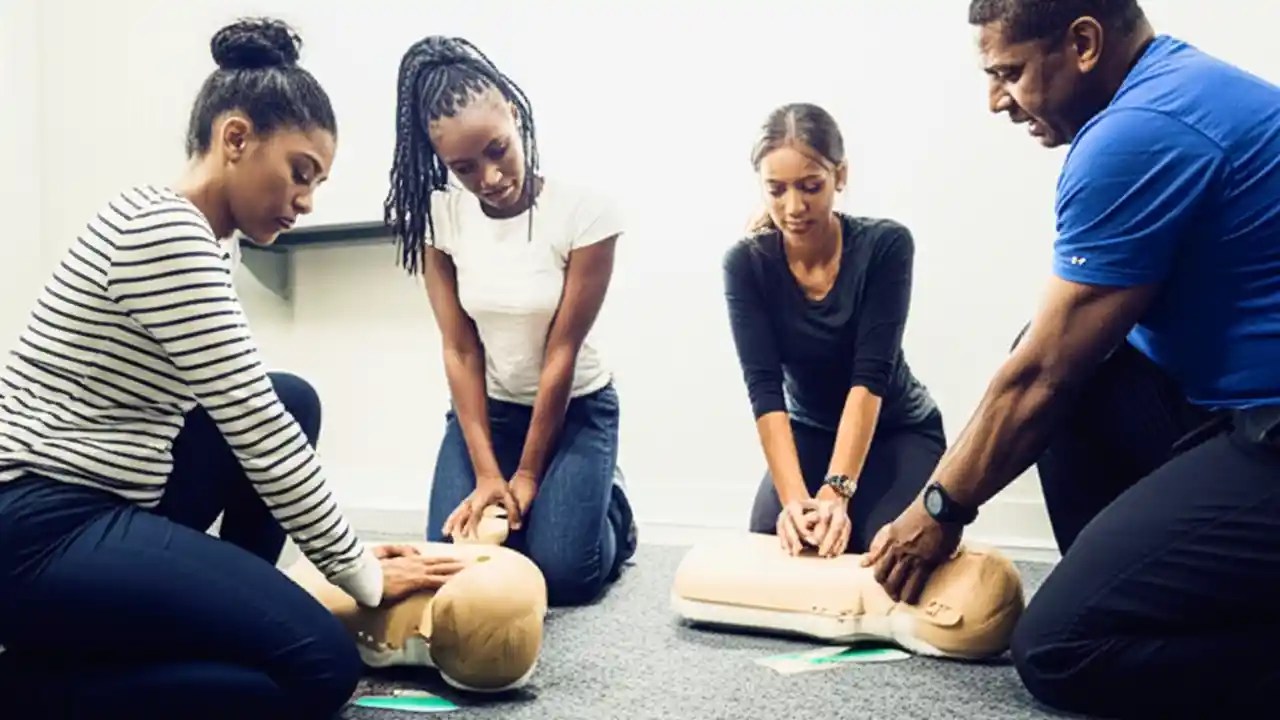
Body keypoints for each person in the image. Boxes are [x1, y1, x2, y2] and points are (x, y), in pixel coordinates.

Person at [0, 18, 465, 720]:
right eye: (300, 172)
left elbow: (260, 412)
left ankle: (224, 620)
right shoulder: (165, 232)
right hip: (39, 528)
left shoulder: (206, 241)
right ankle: (25, 691)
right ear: (236, 138)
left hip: (107, 498)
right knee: (318, 671)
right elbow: (256, 429)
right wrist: (360, 573)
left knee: (293, 396)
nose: (307, 201)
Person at [862, 1, 1280, 716]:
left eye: (1009, 73)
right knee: (1081, 374)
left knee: (1060, 650)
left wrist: (939, 506)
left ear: (1083, 42)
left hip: (1268, 428)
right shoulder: (1173, 88)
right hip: (1231, 406)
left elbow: (1041, 377)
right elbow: (1057, 360)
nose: (997, 101)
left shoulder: (1139, 133)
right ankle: (1130, 594)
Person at [383, 35, 637, 607]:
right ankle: (546, 502)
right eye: (464, 167)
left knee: (566, 577)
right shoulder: (439, 216)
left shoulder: (586, 213)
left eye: (498, 150)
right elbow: (460, 350)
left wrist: (524, 476)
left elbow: (561, 353)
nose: (490, 177)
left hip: (575, 410)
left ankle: (612, 505)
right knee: (456, 563)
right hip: (490, 411)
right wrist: (487, 474)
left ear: (516, 117)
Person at [724, 103, 946, 559]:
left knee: (880, 548)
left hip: (898, 429)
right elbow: (764, 391)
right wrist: (793, 500)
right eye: (776, 190)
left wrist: (837, 491)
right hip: (810, 429)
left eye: (810, 187)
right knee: (779, 541)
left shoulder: (886, 245)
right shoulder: (746, 263)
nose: (794, 207)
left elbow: (871, 375)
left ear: (839, 176)